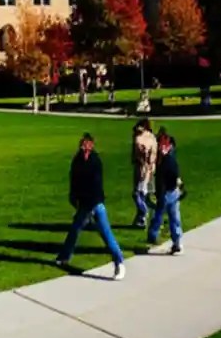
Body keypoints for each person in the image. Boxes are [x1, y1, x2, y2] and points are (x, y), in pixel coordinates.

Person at [56, 133, 127, 280]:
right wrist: (74, 197)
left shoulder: (95, 161)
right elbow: (73, 180)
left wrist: (88, 202)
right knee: (74, 231)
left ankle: (119, 263)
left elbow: (96, 185)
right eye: (82, 143)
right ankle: (64, 257)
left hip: (95, 204)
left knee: (106, 234)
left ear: (91, 145)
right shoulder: (77, 161)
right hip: (83, 205)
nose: (83, 146)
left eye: (86, 143)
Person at [147, 130, 183, 255]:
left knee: (161, 216)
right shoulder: (167, 157)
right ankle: (175, 242)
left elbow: (164, 177)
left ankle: (154, 236)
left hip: (168, 192)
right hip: (170, 191)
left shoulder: (166, 159)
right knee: (172, 217)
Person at [131, 118, 158, 227]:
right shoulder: (152, 137)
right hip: (150, 168)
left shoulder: (139, 138)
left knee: (138, 193)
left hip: (143, 168)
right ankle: (143, 218)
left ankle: (144, 213)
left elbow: (142, 155)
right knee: (145, 195)